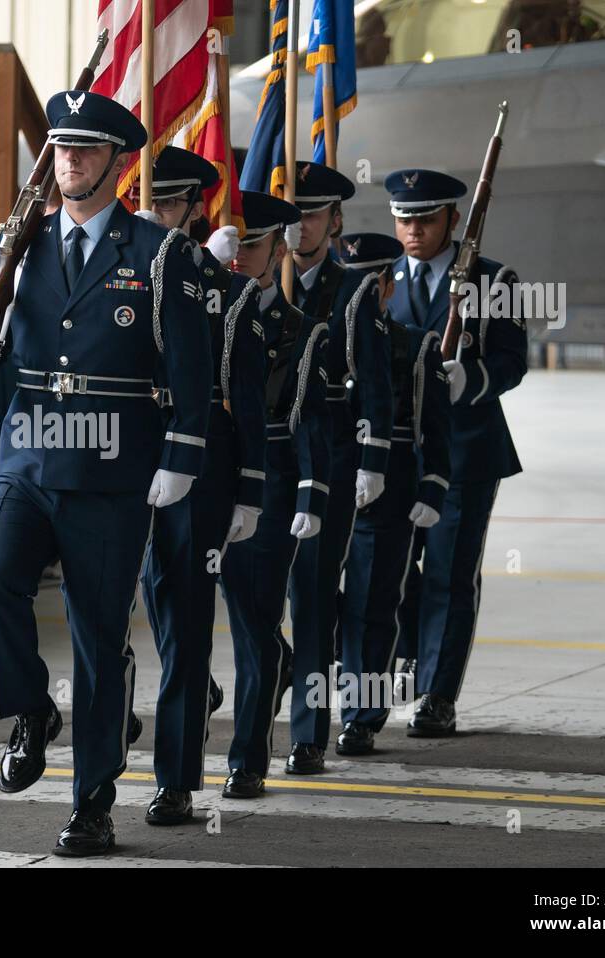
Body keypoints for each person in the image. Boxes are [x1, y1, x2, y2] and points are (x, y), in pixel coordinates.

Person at [0, 90, 211, 857]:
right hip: (28, 450)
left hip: (113, 468)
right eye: (63, 148)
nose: (71, 160)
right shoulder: (20, 245)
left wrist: (182, 454)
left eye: (87, 150)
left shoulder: (158, 253)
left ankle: (92, 802)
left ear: (119, 163)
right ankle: (33, 707)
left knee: (99, 639)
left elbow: (190, 369)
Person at [135, 147, 266, 825]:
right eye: (144, 201)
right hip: (120, 457)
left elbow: (246, 401)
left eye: (164, 203)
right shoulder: (119, 273)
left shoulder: (232, 293)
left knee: (185, 621)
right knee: (143, 611)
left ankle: (176, 778)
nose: (150, 214)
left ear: (192, 210)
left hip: (201, 465)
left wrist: (249, 488)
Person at [382, 168, 527, 737]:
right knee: (390, 571)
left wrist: (469, 377)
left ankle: (438, 695)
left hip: (466, 451)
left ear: (453, 220)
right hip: (397, 454)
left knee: (449, 572)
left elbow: (514, 361)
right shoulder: (376, 277)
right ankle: (412, 654)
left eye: (424, 219)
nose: (413, 229)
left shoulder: (495, 280)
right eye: (403, 218)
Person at [219, 189, 330, 796]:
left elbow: (311, 423)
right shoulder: (201, 313)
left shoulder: (298, 333)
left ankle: (246, 758)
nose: (236, 256)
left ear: (277, 249)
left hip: (269, 489)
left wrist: (311, 496)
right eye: (230, 244)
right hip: (203, 481)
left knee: (253, 624)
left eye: (251, 244)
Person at [285, 161, 394, 774]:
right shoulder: (254, 281)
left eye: (312, 214)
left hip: (327, 460)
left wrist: (372, 460)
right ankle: (272, 671)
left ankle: (307, 733)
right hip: (264, 458)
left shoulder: (353, 291)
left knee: (314, 600)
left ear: (335, 221)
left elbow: (375, 385)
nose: (299, 226)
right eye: (292, 213)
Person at [334, 233, 450, 755]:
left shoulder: (413, 345)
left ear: (384, 288)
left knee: (372, 605)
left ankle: (362, 714)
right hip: (329, 485)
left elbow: (433, 429)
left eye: (367, 287)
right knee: (319, 604)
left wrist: (432, 486)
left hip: (389, 492)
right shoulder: (325, 340)